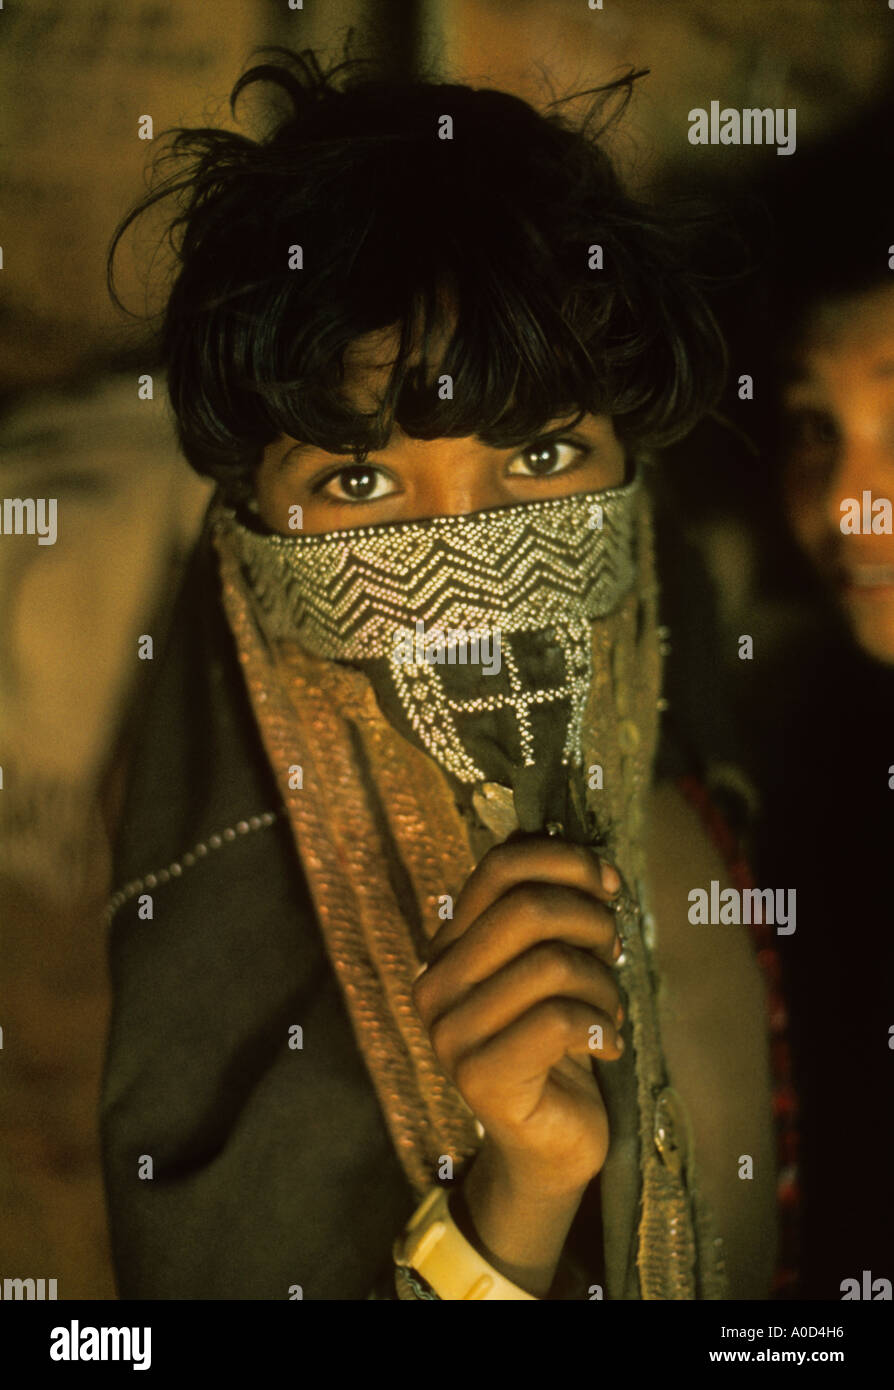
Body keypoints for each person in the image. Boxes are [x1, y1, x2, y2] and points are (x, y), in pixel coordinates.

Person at [100, 46, 796, 1300]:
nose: (470, 573)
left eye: (539, 457)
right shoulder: (229, 953)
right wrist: (515, 1197)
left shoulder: (674, 687)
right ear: (250, 541)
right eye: (358, 482)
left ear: (629, 482)